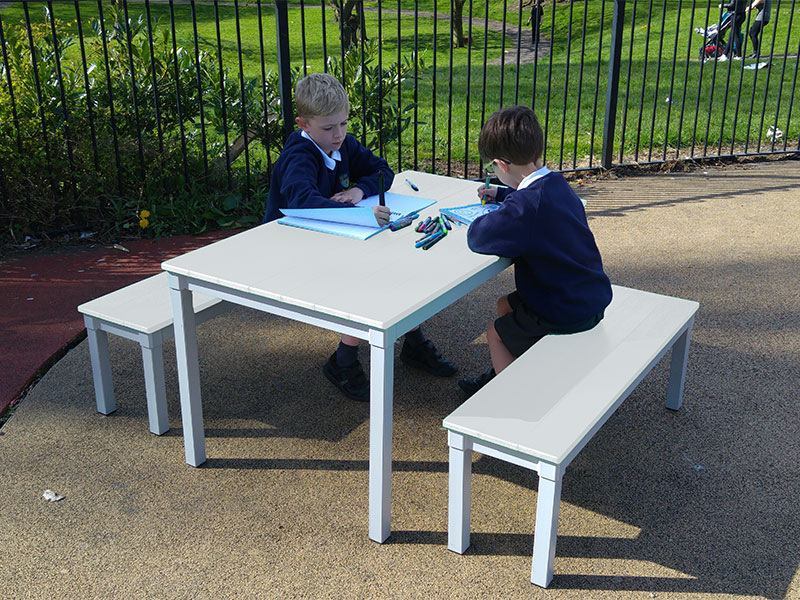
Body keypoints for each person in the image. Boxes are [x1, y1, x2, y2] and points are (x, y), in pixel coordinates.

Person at [263, 72, 457, 401]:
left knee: (395, 263)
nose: (339, 134)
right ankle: (344, 361)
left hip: (329, 237)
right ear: (303, 124)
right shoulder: (298, 155)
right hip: (288, 248)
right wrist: (360, 215)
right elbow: (302, 203)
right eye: (328, 128)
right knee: (370, 278)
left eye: (343, 123)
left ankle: (410, 341)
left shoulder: (341, 143)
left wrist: (357, 189)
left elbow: (382, 170)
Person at [458, 105, 612, 397]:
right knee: (505, 304)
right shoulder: (555, 183)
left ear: (502, 166)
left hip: (566, 309)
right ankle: (507, 368)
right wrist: (503, 194)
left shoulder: (524, 209)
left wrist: (496, 209)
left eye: (492, 168)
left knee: (495, 333)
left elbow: (478, 237)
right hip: (587, 295)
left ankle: (513, 397)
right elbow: (531, 199)